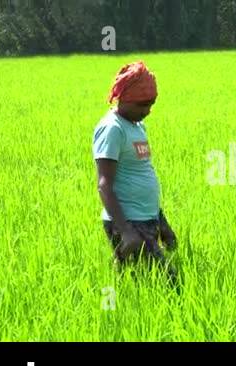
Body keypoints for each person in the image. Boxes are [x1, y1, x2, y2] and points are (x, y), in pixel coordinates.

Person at [92, 61, 177, 282]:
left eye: (152, 103)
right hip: (129, 222)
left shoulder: (137, 126)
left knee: (141, 284)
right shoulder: (113, 129)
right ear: (126, 99)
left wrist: (161, 221)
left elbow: (141, 173)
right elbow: (104, 185)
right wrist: (126, 231)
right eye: (143, 104)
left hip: (147, 218)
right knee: (170, 285)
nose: (148, 110)